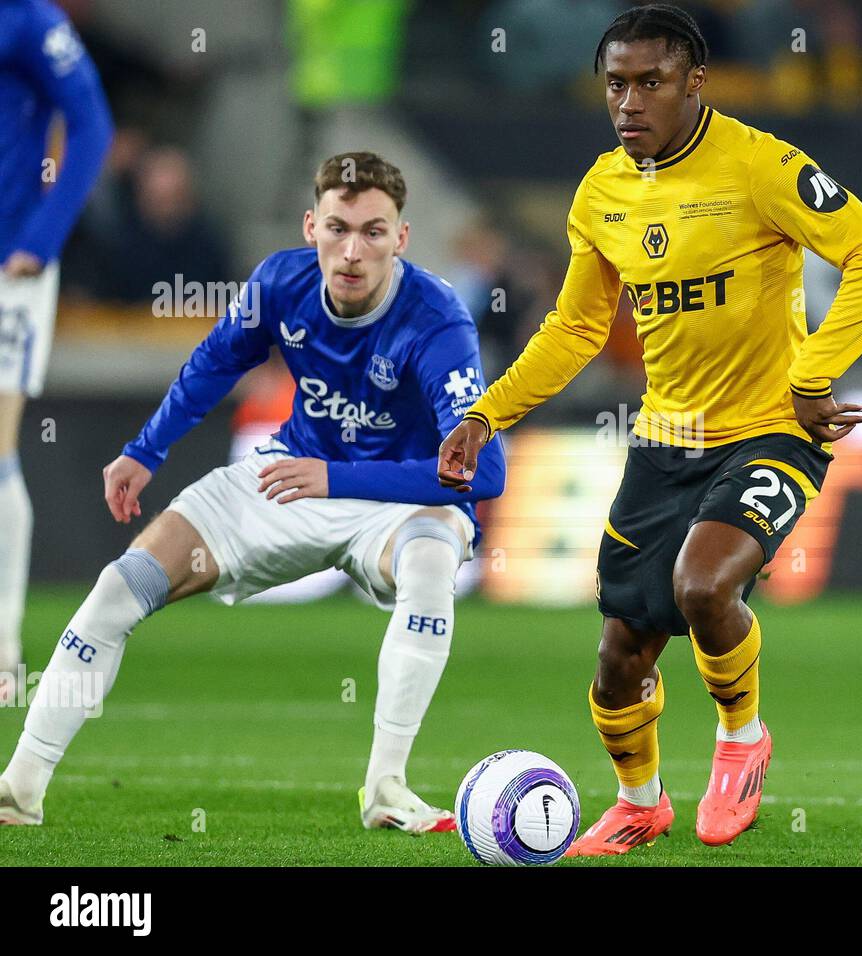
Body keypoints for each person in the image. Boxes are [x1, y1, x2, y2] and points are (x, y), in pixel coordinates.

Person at [437, 4, 862, 855]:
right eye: (616, 84)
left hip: (773, 430)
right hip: (666, 441)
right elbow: (577, 328)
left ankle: (741, 740)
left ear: (696, 82)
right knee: (621, 652)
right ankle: (639, 802)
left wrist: (812, 376)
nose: (629, 102)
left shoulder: (762, 165)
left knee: (703, 586)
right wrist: (487, 413)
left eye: (650, 82)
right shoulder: (603, 190)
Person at [0, 152, 506, 830]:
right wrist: (144, 450)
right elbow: (213, 364)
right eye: (338, 227)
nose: (352, 251)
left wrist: (338, 477)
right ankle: (20, 788)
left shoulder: (438, 320)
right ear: (310, 227)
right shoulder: (279, 283)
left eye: (374, 232)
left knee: (430, 562)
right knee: (118, 588)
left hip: (395, 502)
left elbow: (484, 471)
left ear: (402, 239)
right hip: (287, 478)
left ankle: (386, 787)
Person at [0, 0, 114, 705]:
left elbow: (93, 125)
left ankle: (4, 651)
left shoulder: (30, 19)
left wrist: (38, 243)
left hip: (9, 267)